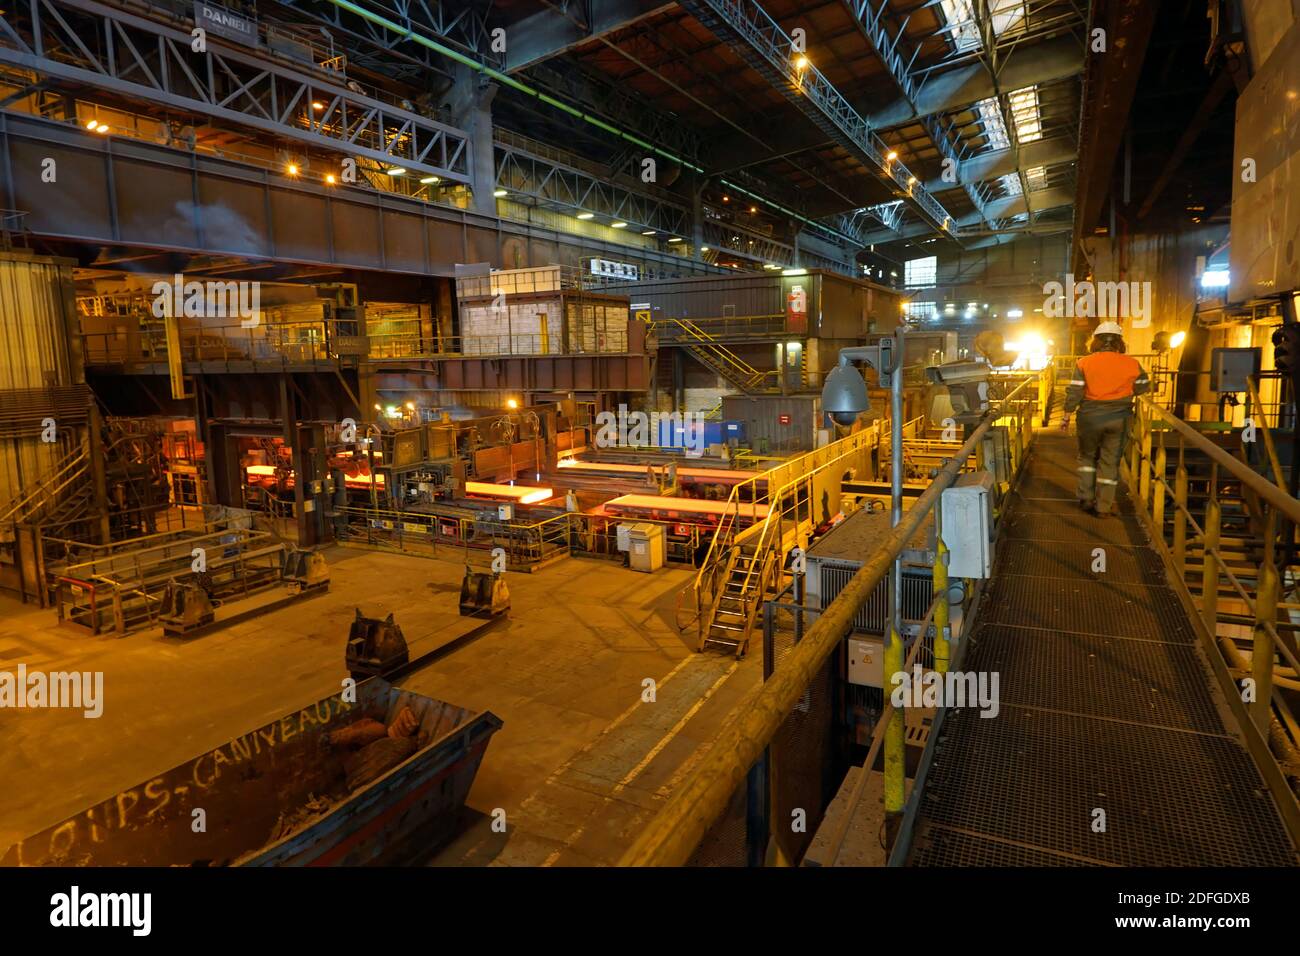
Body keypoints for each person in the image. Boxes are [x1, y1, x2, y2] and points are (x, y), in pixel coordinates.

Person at [1061, 321, 1150, 517]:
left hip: (1089, 418)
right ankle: (1103, 507)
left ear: (1095, 341)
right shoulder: (1132, 363)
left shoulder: (1084, 362)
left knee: (1087, 457)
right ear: (1119, 342)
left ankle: (1085, 498)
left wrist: (1067, 415)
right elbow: (1143, 386)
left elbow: (1075, 391)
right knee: (1110, 462)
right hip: (1120, 418)